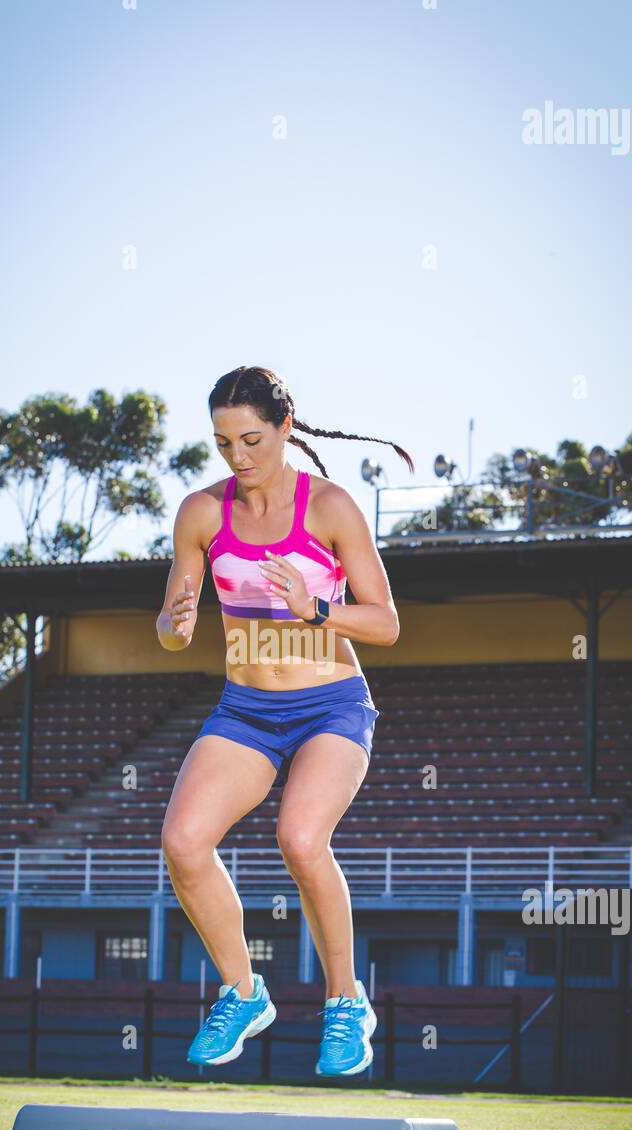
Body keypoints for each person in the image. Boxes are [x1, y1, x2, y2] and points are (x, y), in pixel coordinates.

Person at [156, 366, 414, 1076]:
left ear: (284, 430)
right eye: (222, 442)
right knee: (183, 842)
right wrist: (174, 622)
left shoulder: (330, 507)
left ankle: (345, 1002)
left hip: (331, 703)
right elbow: (173, 630)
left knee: (300, 838)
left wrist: (318, 609)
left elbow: (387, 623)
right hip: (246, 709)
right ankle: (243, 993)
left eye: (251, 440)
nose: (237, 457)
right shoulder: (200, 514)